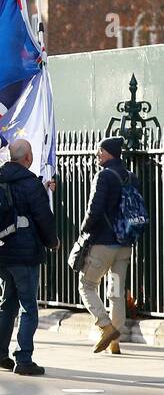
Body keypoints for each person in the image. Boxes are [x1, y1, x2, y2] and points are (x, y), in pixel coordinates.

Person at [0, 139, 59, 376]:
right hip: (24, 254)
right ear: (27, 158)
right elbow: (43, 217)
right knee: (29, 308)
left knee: (8, 304)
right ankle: (24, 358)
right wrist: (53, 241)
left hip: (0, 252)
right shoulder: (29, 183)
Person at [77, 136, 135, 354]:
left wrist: (84, 229)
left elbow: (94, 209)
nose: (97, 154)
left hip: (103, 242)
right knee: (117, 290)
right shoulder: (131, 177)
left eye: (100, 151)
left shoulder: (103, 176)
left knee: (86, 284)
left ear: (108, 152)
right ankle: (115, 342)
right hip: (125, 243)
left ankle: (105, 326)